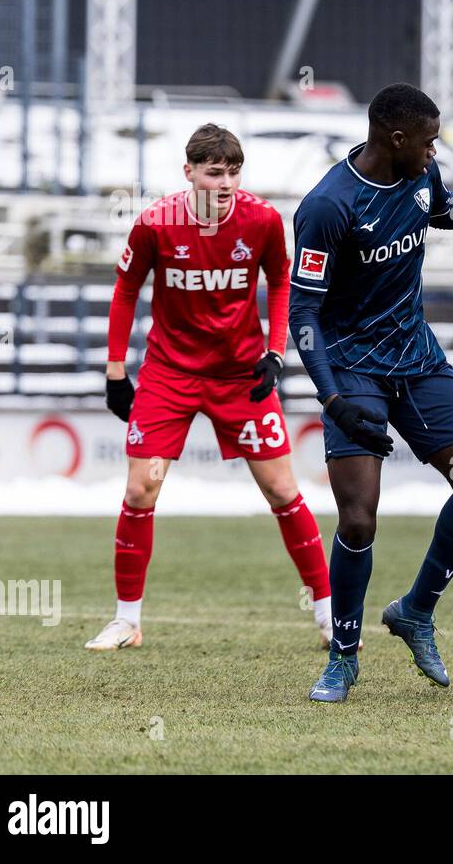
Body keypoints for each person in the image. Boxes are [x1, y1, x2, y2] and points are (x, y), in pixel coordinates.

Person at [289, 83, 453, 702]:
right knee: (359, 515)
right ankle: (343, 655)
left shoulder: (420, 177)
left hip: (416, 360)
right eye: (428, 142)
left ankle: (415, 610)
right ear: (395, 139)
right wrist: (331, 397)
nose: (435, 152)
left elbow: (444, 209)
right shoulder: (328, 206)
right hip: (351, 371)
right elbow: (303, 312)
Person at [88, 124, 332, 651]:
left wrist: (275, 350)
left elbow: (281, 281)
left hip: (240, 375)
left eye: (234, 173)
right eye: (214, 173)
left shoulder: (263, 220)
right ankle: (127, 620)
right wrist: (115, 372)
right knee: (140, 489)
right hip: (169, 377)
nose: (225, 184)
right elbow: (125, 291)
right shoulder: (155, 223)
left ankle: (329, 613)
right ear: (190, 173)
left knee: (282, 490)